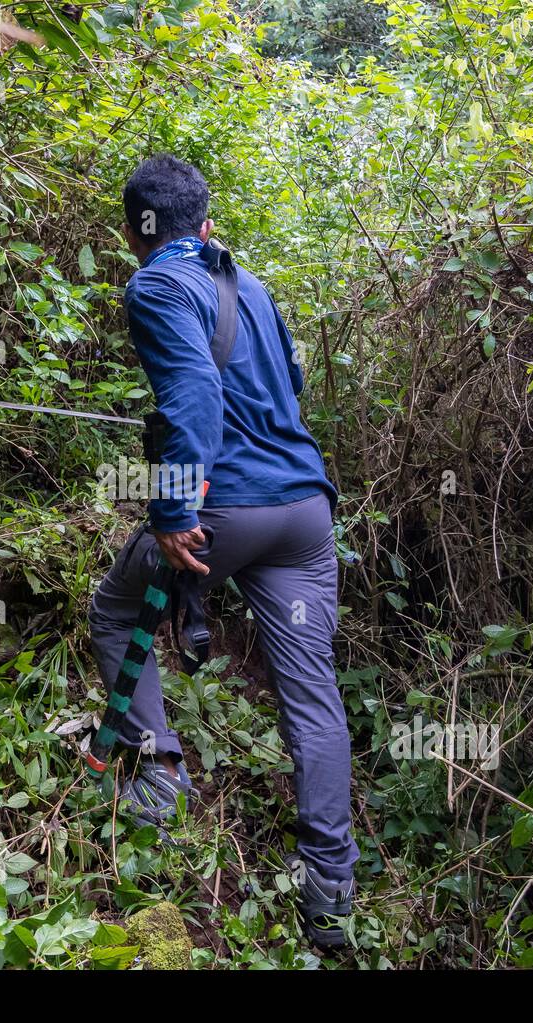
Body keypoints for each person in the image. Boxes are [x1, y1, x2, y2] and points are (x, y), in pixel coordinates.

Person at [88, 153, 360, 947]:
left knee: (113, 610)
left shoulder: (156, 285)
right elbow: (292, 384)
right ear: (204, 221)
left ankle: (159, 777)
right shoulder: (251, 284)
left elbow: (194, 398)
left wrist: (174, 510)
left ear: (134, 230)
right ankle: (331, 897)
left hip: (225, 513)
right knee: (312, 696)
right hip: (304, 515)